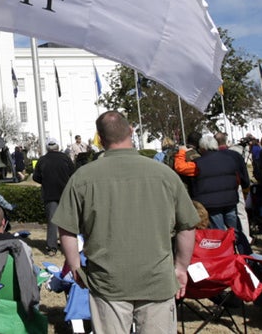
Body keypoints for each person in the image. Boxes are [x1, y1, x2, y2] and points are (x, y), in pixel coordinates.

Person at [55, 111, 199, 334]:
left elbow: (66, 228)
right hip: (155, 280)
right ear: (131, 131)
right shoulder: (164, 174)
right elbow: (187, 225)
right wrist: (181, 267)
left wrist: (74, 265)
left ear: (100, 139)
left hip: (108, 282)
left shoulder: (83, 177)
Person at [187, 133, 250, 235]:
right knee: (235, 229)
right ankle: (240, 243)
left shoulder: (197, 163)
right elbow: (239, 177)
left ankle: (227, 245)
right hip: (230, 199)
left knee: (219, 232)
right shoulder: (230, 159)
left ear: (202, 148)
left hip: (211, 203)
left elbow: (193, 183)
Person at [32, 138, 75, 254]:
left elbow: (35, 177)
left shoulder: (42, 160)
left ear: (47, 147)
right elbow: (73, 173)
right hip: (65, 193)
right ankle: (69, 246)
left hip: (49, 193)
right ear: (58, 147)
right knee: (67, 221)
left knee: (52, 221)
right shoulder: (65, 158)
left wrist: (45, 181)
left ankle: (52, 247)